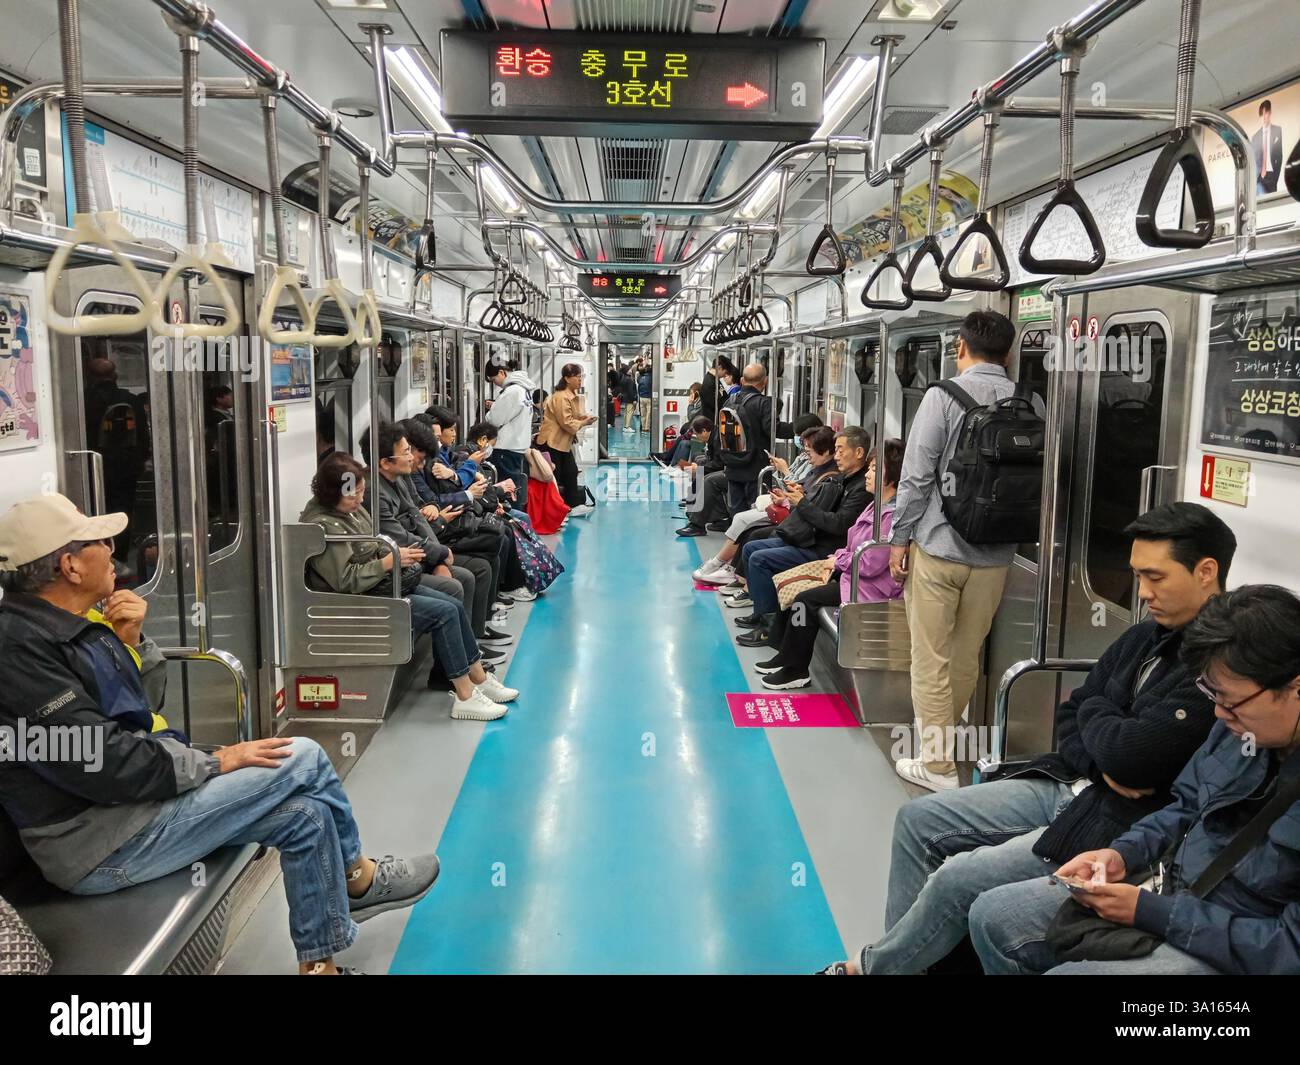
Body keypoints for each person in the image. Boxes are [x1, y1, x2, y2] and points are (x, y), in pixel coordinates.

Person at [0, 492, 441, 975]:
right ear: (70, 565)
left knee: (308, 816)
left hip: (128, 807)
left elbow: (140, 715)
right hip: (97, 843)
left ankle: (320, 969)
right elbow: (103, 762)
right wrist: (215, 762)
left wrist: (132, 645)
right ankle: (358, 878)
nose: (110, 547)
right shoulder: (20, 652)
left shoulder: (80, 624)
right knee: (306, 756)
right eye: (97, 541)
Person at [816, 501, 1234, 976]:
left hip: (1112, 815)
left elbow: (1131, 756)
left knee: (964, 884)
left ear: (1205, 572)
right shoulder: (1146, 636)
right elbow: (1074, 713)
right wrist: (1103, 745)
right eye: (1137, 576)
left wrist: (1100, 726)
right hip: (1080, 783)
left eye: (1155, 578)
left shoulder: (1220, 668)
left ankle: (872, 970)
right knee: (917, 819)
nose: (1142, 592)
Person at [971, 581, 1300, 976]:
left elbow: (1287, 949)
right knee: (993, 916)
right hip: (1176, 890)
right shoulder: (1239, 729)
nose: (1218, 715)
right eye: (1214, 697)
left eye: (1230, 701)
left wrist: (1155, 913)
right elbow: (1186, 808)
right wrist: (1123, 854)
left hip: (1236, 942)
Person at [887, 309, 1046, 791]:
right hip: (997, 554)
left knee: (929, 655)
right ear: (1010, 351)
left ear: (960, 347)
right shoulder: (1031, 400)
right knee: (965, 655)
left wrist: (899, 538)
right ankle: (941, 745)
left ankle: (936, 764)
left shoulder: (943, 396)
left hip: (940, 545)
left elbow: (916, 476)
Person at [301, 454, 516, 719]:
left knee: (453, 604)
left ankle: (478, 678)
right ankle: (464, 695)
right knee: (444, 612)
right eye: (352, 495)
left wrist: (396, 556)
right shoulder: (323, 526)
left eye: (361, 493)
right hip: (361, 598)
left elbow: (371, 544)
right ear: (333, 493)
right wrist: (388, 562)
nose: (359, 501)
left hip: (380, 586)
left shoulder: (350, 511)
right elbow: (345, 580)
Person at [754, 439, 905, 689]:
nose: (868, 474)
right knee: (791, 581)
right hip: (850, 575)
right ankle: (784, 653)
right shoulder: (874, 505)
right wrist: (838, 559)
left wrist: (838, 561)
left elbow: (868, 564)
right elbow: (852, 543)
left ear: (892, 476)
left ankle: (796, 669)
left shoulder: (891, 516)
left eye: (875, 469)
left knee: (805, 599)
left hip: (868, 588)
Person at [365, 423, 509, 654]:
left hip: (424, 548)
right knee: (464, 579)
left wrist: (440, 555)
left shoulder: (400, 479)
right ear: (385, 462)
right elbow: (398, 535)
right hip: (402, 561)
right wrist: (439, 554)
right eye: (406, 452)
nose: (411, 458)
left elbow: (419, 513)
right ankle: (461, 659)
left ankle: (471, 645)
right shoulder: (374, 492)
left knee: (486, 556)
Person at [733, 426, 871, 646]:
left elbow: (838, 524)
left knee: (760, 559)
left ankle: (769, 628)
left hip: (823, 547)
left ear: (859, 452)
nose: (836, 456)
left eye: (840, 450)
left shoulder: (861, 488)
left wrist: (802, 503)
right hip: (813, 536)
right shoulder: (843, 479)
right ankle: (762, 613)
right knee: (751, 547)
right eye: (835, 450)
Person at [693, 415, 826, 583]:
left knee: (744, 521)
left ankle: (722, 564)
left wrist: (785, 471)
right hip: (785, 501)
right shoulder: (802, 457)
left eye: (803, 439)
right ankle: (724, 563)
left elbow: (796, 486)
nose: (799, 442)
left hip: (791, 508)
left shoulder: (818, 468)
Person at [719, 363, 792, 517]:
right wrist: (798, 428)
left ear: (742, 380)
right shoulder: (765, 403)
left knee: (736, 509)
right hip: (755, 466)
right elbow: (773, 429)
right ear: (765, 381)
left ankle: (736, 537)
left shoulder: (729, 401)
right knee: (755, 508)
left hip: (732, 462)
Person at [537, 362, 598, 509]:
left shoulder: (571, 395)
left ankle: (571, 505)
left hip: (562, 443)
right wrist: (584, 423)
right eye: (577, 377)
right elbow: (566, 422)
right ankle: (556, 509)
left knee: (570, 473)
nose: (580, 380)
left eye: (581, 377)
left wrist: (583, 418)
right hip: (552, 442)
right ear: (567, 378)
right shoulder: (561, 397)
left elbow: (572, 416)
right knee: (556, 477)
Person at [485, 359, 537, 508]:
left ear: (502, 372)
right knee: (515, 488)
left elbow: (494, 420)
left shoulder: (512, 391)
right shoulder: (523, 389)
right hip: (517, 447)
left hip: (505, 450)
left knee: (507, 492)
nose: (495, 383)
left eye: (494, 379)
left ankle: (512, 524)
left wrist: (490, 412)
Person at [674, 417, 728, 537]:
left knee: (708, 479)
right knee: (697, 460)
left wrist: (699, 468)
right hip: (721, 466)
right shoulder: (713, 437)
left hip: (726, 470)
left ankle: (697, 524)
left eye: (698, 434)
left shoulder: (717, 439)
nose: (697, 438)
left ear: (704, 431)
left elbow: (719, 464)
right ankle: (692, 503)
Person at [1253, 99, 1284, 195]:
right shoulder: (1255, 137)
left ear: (1269, 113)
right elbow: (1254, 160)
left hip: (1272, 176)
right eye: (1261, 115)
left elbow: (1279, 155)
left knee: (1271, 204)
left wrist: (1275, 177)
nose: (1263, 117)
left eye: (1265, 113)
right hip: (1260, 178)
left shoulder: (1277, 130)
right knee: (1261, 205)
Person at [637, 359, 653, 434]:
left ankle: (643, 427)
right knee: (648, 414)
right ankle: (647, 428)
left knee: (643, 413)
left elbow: (639, 387)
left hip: (642, 397)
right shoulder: (652, 378)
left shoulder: (641, 377)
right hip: (649, 397)